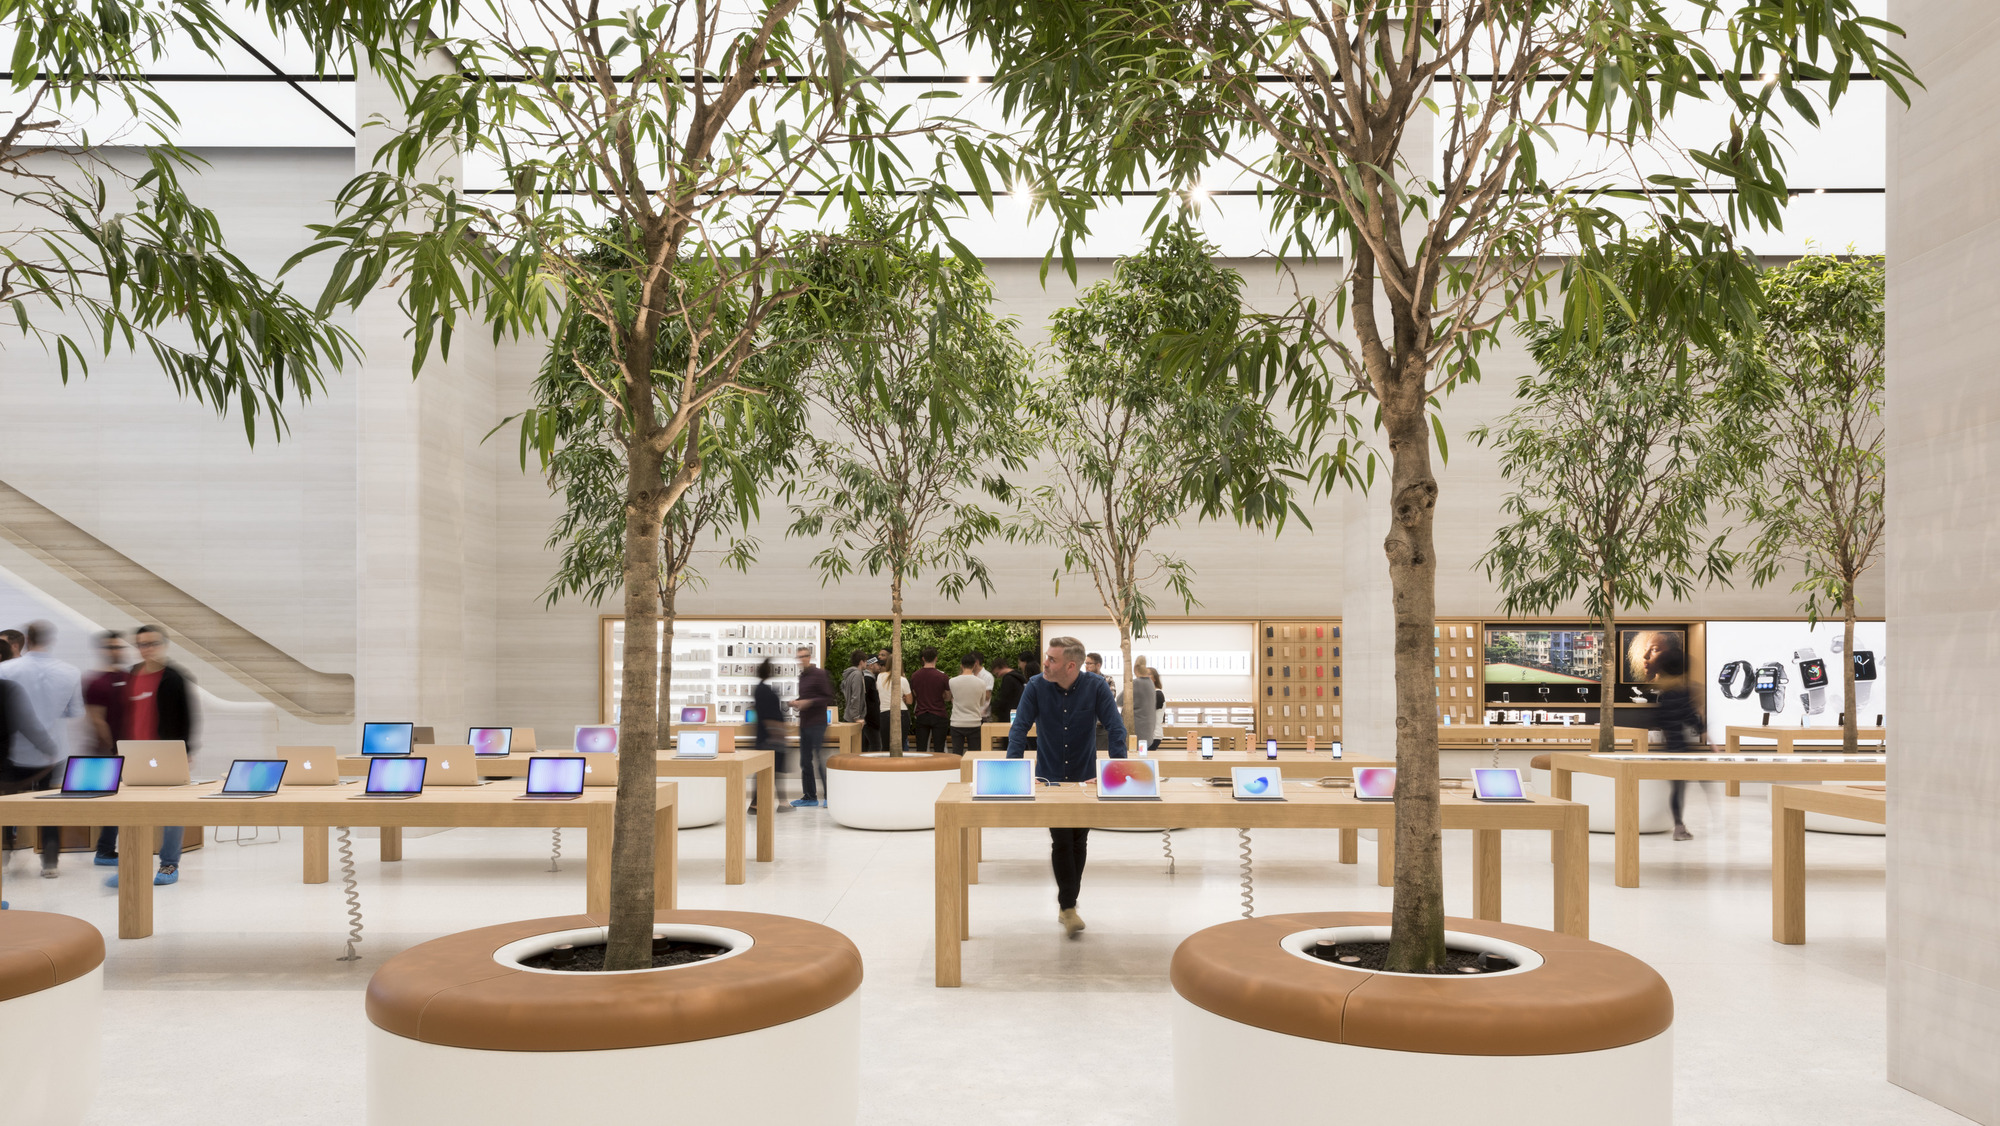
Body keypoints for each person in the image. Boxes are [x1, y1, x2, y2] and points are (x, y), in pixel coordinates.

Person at [1006, 636, 1128, 939]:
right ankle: (1069, 906)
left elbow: (1116, 728)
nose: (1045, 662)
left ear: (1070, 665)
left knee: (1079, 840)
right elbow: (1019, 728)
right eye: (1047, 657)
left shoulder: (1096, 687)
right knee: (1061, 840)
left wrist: (1113, 772)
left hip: (1084, 778)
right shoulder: (1035, 686)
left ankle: (1067, 905)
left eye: (1052, 659)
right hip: (1049, 780)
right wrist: (1014, 772)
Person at [105, 625, 197, 887]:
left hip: (166, 753)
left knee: (172, 813)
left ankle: (169, 865)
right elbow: (123, 714)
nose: (147, 649)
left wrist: (185, 752)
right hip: (133, 754)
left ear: (164, 644)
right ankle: (130, 866)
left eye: (152, 643)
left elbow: (188, 719)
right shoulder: (132, 674)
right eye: (142, 644)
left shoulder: (175, 678)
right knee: (130, 812)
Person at [0, 621, 84, 877]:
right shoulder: (70, 671)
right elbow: (75, 711)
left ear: (25, 639)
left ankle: (5, 853)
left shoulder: (6, 669)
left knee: (7, 804)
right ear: (49, 640)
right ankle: (50, 862)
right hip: (53, 751)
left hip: (13, 751)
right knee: (49, 806)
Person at [85, 631, 131, 863]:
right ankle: (104, 851)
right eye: (111, 647)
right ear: (102, 651)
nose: (116, 651)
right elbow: (96, 718)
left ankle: (122, 848)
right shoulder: (96, 682)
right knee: (115, 804)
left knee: (128, 803)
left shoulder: (130, 677)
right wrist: (113, 749)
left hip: (132, 751)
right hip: (108, 754)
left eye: (119, 647)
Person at [1653, 650, 1705, 841]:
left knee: (1678, 789)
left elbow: (1660, 719)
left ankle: (1679, 825)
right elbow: (1690, 716)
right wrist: (1703, 730)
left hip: (1670, 748)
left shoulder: (1665, 693)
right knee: (1680, 789)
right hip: (1679, 749)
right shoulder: (1681, 693)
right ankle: (1679, 827)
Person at [789, 646, 836, 808]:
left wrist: (808, 702)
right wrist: (796, 702)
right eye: (799, 657)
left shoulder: (820, 674)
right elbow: (805, 697)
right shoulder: (802, 676)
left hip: (817, 723)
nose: (801, 659)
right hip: (804, 723)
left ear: (810, 657)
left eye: (804, 656)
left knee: (820, 759)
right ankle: (809, 796)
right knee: (805, 761)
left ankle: (829, 797)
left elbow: (827, 697)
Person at [747, 659, 790, 815]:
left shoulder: (760, 689)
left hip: (766, 736)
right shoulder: (765, 691)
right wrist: (779, 733)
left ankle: (764, 804)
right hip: (771, 738)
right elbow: (770, 715)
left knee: (771, 770)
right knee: (773, 770)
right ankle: (762, 804)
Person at [909, 646, 952, 755]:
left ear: (923, 658)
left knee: (921, 748)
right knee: (939, 748)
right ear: (936, 658)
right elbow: (947, 697)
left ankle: (921, 770)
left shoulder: (915, 676)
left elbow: (915, 694)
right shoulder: (943, 677)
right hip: (939, 714)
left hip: (922, 713)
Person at [947, 655, 990, 755]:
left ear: (961, 665)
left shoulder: (952, 681)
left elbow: (951, 698)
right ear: (974, 665)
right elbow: (982, 702)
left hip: (956, 722)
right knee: (974, 754)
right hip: (974, 722)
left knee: (956, 754)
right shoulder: (981, 683)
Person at [877, 658, 913, 753]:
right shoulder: (902, 680)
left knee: (885, 746)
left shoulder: (880, 677)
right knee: (899, 746)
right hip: (901, 712)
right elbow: (909, 701)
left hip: (884, 713)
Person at [990, 655, 1025, 724]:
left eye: (997, 673)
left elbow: (1004, 698)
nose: (998, 676)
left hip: (1008, 716)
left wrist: (994, 707)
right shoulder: (1019, 677)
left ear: (1002, 667)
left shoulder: (1008, 679)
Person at [860, 656, 884, 752]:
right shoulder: (868, 679)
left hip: (868, 719)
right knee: (876, 746)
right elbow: (864, 700)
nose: (880, 667)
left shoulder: (868, 679)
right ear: (871, 665)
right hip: (870, 720)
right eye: (878, 664)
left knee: (866, 747)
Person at [841, 650, 870, 727]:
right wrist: (856, 717)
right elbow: (855, 696)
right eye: (865, 661)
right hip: (853, 719)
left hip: (849, 715)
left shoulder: (850, 675)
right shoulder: (857, 675)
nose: (866, 664)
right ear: (861, 662)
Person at [967, 651, 995, 720]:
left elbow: (987, 696)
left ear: (976, 662)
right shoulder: (968, 675)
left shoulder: (987, 676)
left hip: (982, 715)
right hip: (969, 715)